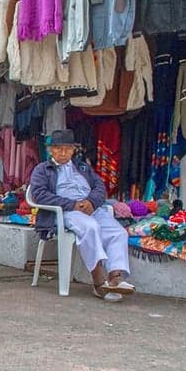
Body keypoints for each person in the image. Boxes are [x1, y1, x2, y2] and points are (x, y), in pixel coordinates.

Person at [28, 129, 135, 302]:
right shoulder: (42, 169)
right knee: (90, 227)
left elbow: (100, 187)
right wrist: (72, 204)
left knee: (118, 232)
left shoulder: (82, 166)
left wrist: (91, 202)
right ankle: (99, 281)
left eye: (68, 149)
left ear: (73, 150)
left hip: (91, 208)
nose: (63, 153)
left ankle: (115, 277)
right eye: (58, 148)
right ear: (50, 150)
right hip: (65, 212)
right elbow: (39, 194)